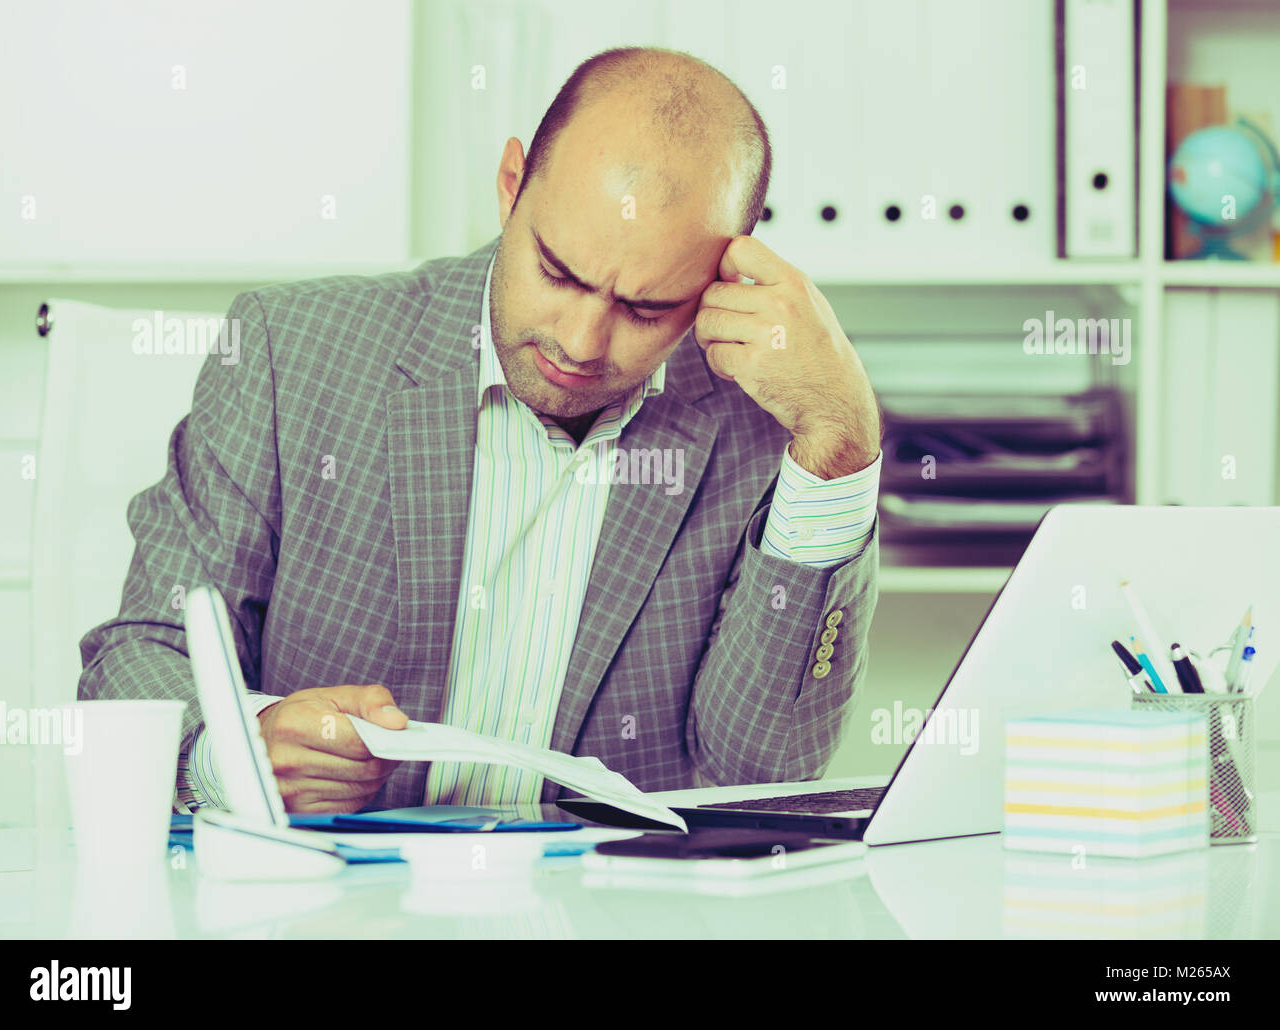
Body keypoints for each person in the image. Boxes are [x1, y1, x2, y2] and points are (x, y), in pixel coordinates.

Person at [79, 45, 883, 815]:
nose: (580, 342)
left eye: (646, 308)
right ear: (511, 186)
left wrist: (839, 449)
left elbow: (763, 775)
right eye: (557, 273)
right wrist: (236, 753)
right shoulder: (290, 354)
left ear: (724, 275)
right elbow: (136, 657)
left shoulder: (759, 429)